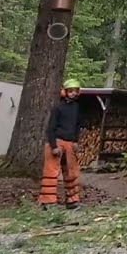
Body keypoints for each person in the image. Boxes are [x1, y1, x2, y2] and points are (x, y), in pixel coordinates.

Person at [40, 78, 83, 209]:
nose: (73, 93)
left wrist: (75, 141)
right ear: (64, 92)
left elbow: (77, 126)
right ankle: (48, 202)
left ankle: (72, 200)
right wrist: (53, 146)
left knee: (71, 172)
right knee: (51, 172)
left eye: (76, 91)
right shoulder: (57, 108)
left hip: (70, 143)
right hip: (57, 141)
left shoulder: (77, 108)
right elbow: (50, 128)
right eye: (71, 91)